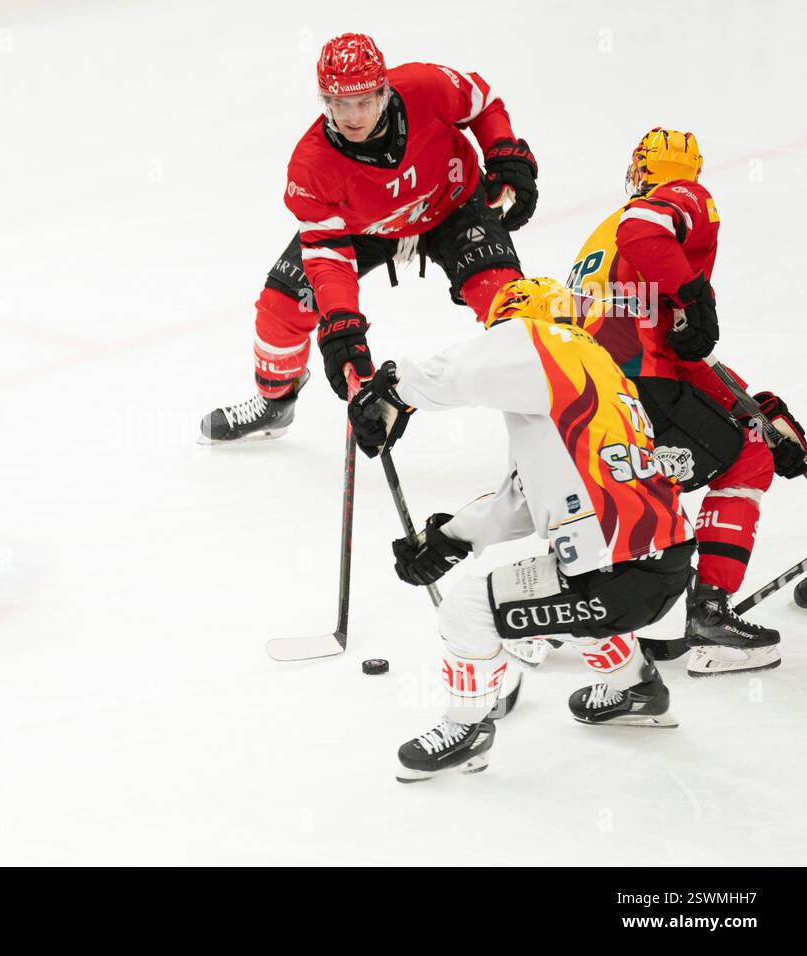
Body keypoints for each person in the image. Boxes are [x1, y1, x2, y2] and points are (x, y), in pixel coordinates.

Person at [347, 277, 694, 782]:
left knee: (469, 610)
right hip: (657, 565)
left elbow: (466, 369)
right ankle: (636, 691)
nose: (500, 335)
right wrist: (450, 539)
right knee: (568, 592)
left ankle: (467, 731)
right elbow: (524, 496)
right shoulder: (592, 379)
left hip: (618, 574)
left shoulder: (549, 342)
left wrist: (393, 390)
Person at [200, 31, 537, 443]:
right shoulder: (310, 166)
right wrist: (343, 326)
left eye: (364, 101)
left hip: (453, 207)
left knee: (510, 308)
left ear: (384, 90)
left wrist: (502, 149)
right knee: (279, 309)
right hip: (362, 230)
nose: (353, 116)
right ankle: (275, 402)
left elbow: (482, 101)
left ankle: (544, 415)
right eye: (341, 104)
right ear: (326, 101)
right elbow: (327, 255)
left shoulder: (425, 87)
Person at [567, 129, 806, 676]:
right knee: (748, 455)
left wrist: (758, 408)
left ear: (634, 171)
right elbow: (646, 228)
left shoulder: (600, 244)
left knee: (631, 489)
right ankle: (710, 618)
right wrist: (695, 294)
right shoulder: (678, 204)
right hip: (637, 389)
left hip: (588, 397)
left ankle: (555, 607)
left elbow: (679, 355)